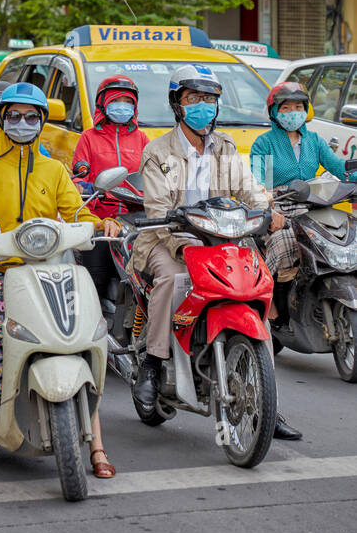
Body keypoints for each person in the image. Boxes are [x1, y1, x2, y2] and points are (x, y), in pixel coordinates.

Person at [0, 82, 120, 485]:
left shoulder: (54, 170)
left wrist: (102, 223)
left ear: (41, 122)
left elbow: (75, 212)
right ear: (1, 120)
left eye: (31, 117)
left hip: (50, 271)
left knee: (81, 341)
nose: (22, 123)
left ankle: (98, 446)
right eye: (14, 116)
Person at [132, 63, 300, 441]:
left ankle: (265, 400)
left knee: (254, 283)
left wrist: (268, 210)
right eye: (194, 98)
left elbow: (249, 188)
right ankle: (153, 363)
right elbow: (157, 210)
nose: (203, 106)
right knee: (174, 279)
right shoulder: (157, 151)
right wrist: (183, 239)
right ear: (177, 104)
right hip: (169, 239)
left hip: (222, 238)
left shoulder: (224, 147)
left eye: (209, 99)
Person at [250, 81, 357, 322]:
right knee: (284, 242)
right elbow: (259, 183)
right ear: (274, 112)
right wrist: (267, 201)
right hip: (279, 209)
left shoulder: (314, 141)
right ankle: (273, 303)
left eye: (298, 107)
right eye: (286, 108)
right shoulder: (265, 143)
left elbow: (340, 169)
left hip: (313, 206)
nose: (293, 113)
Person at [72, 74, 149, 296]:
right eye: (116, 101)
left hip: (135, 221)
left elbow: (154, 176)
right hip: (99, 220)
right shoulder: (88, 138)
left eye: (127, 102)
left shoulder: (142, 139)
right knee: (95, 281)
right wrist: (88, 188)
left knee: (145, 281)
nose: (122, 106)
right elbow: (78, 178)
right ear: (103, 103)